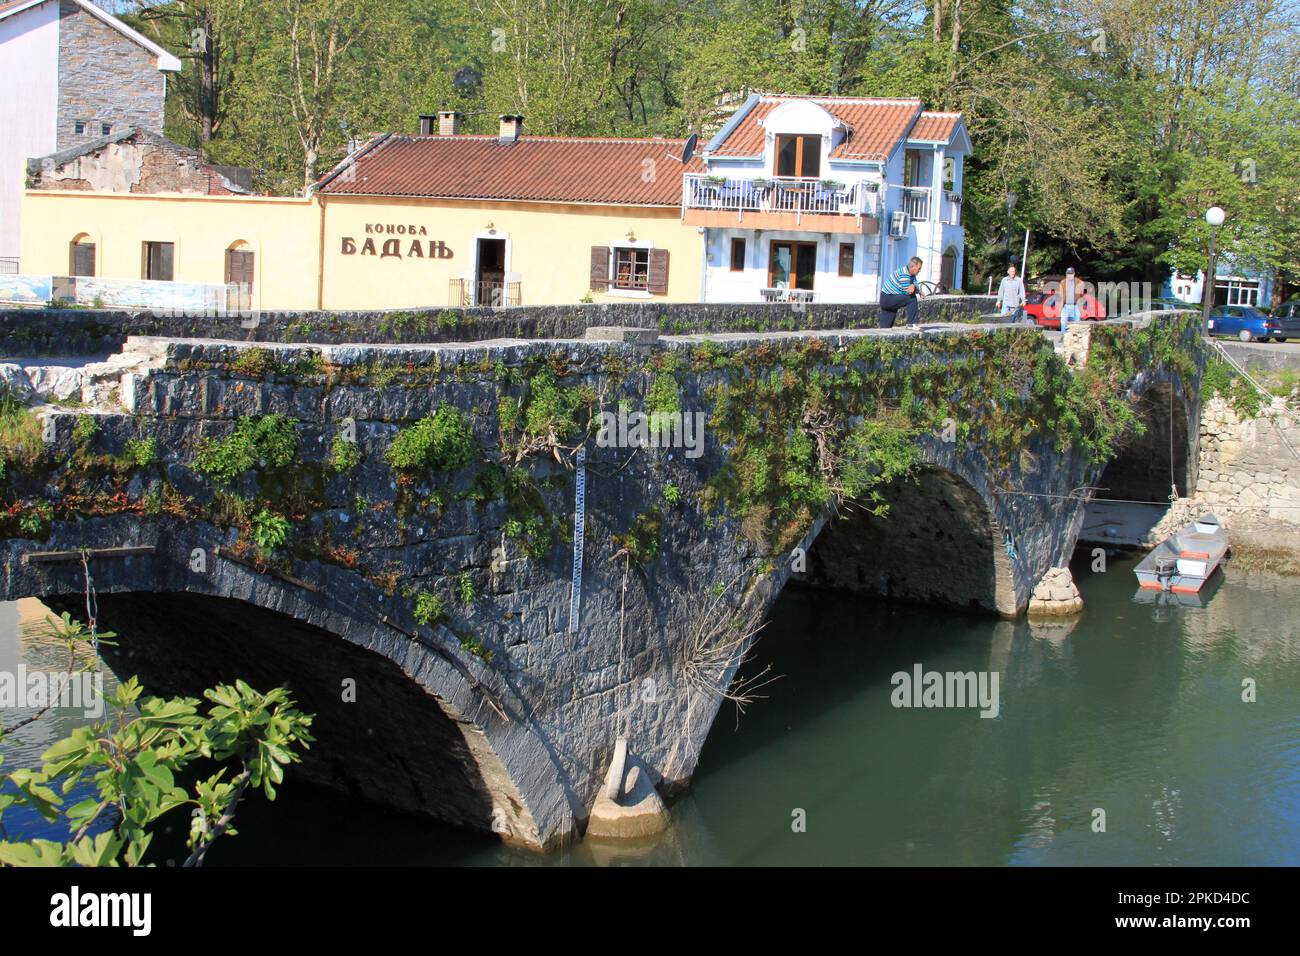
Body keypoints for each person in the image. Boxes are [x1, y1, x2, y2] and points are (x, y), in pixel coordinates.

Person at [879, 256, 925, 328]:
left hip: (889, 298)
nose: (919, 271)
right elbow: (908, 292)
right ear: (912, 266)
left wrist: (918, 290)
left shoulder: (911, 274)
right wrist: (913, 288)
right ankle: (911, 324)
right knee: (912, 299)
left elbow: (914, 286)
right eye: (919, 269)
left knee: (886, 328)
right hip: (887, 298)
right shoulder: (904, 274)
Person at [1059, 266, 1084, 334]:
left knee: (1077, 323)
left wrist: (1081, 309)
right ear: (1066, 274)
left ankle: (1075, 338)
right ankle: (1063, 337)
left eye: (1071, 273)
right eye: (1068, 273)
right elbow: (1061, 296)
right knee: (1063, 322)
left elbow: (1081, 297)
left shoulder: (1080, 282)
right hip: (1066, 306)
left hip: (1075, 306)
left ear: (1074, 273)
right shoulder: (1062, 282)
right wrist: (1060, 309)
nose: (1070, 275)